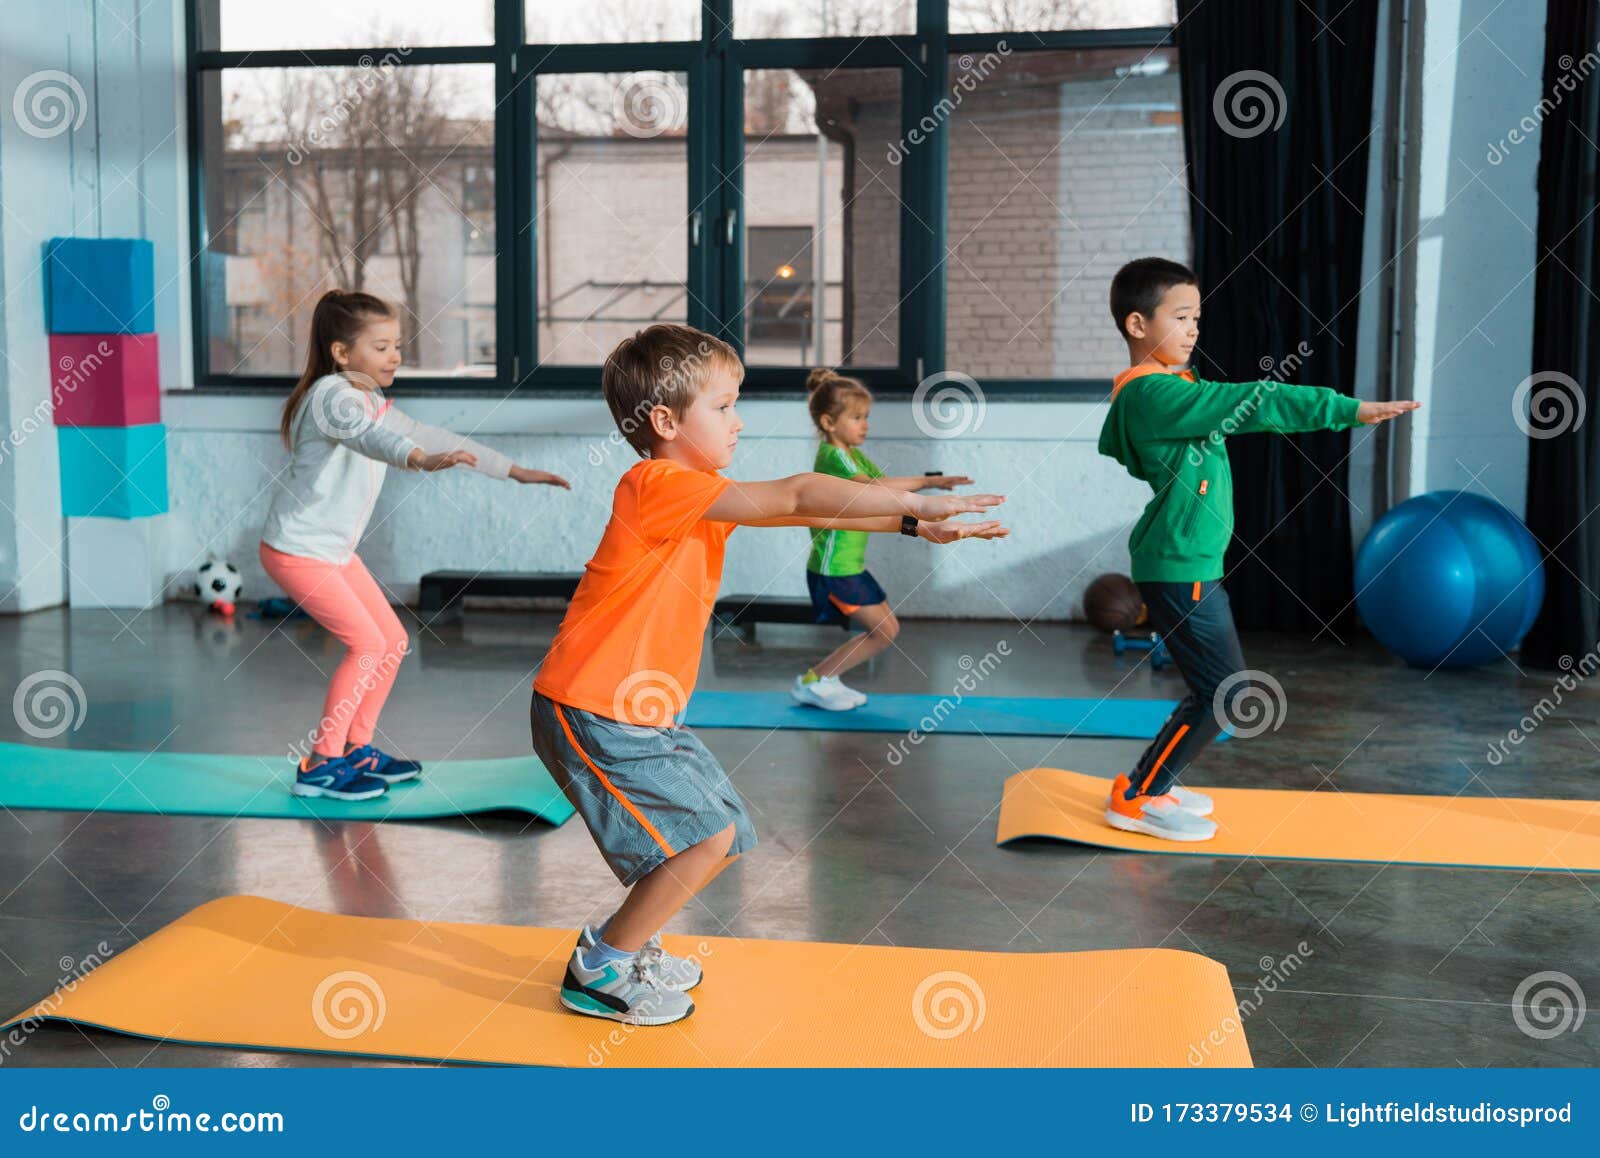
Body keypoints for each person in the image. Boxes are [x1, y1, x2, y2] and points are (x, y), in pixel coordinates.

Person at [530, 324, 1008, 1025]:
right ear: (664, 422)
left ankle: (632, 943)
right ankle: (601, 965)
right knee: (703, 839)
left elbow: (803, 511)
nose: (738, 420)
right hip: (592, 706)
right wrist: (915, 502)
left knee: (718, 828)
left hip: (639, 713)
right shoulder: (653, 483)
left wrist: (911, 529)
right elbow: (796, 492)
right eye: (722, 406)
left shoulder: (699, 492)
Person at [1098, 257, 1418, 841]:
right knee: (1223, 692)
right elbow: (1259, 401)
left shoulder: (1169, 389)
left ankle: (1155, 782)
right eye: (1181, 317)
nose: (1195, 329)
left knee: (1213, 688)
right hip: (1179, 565)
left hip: (1184, 561)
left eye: (1198, 317)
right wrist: (1348, 410)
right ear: (1137, 325)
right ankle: (1139, 797)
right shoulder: (1152, 397)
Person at [262, 289, 570, 801]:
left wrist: (511, 471)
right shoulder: (331, 398)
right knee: (366, 646)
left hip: (331, 551)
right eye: (381, 346)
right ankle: (320, 763)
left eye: (397, 345)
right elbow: (370, 438)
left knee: (392, 643)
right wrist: (418, 459)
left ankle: (356, 748)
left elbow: (426, 430)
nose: (395, 356)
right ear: (342, 352)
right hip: (298, 550)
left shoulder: (365, 399)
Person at [791, 368, 974, 711]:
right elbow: (875, 490)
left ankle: (820, 679)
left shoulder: (852, 454)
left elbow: (885, 485)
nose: (866, 425)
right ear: (829, 423)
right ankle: (814, 682)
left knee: (886, 629)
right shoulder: (833, 456)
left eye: (867, 417)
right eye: (857, 417)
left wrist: (931, 481)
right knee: (884, 631)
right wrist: (925, 488)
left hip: (849, 566)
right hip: (834, 569)